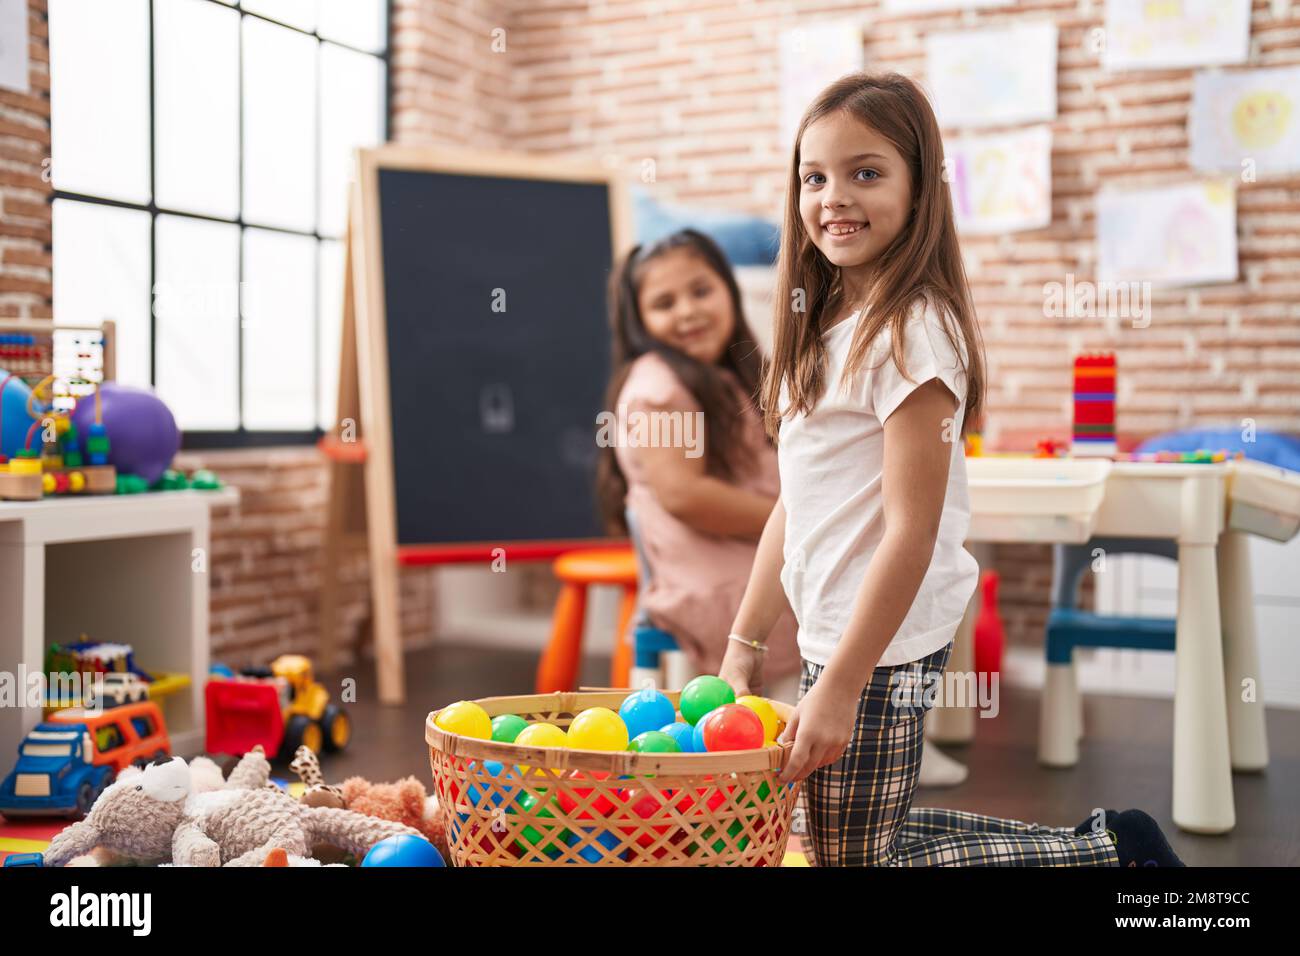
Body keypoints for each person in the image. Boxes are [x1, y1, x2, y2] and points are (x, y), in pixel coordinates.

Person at [718, 71, 1185, 866]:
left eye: (867, 172)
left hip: (880, 639)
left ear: (921, 187)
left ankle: (1112, 861)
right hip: (843, 628)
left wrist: (838, 688)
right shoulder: (826, 327)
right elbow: (792, 507)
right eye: (815, 176)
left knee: (850, 860)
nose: (835, 196)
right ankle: (1117, 842)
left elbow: (912, 529)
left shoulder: (913, 332)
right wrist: (745, 642)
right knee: (853, 841)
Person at [595, 228, 801, 702]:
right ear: (640, 320)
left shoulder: (736, 373)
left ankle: (853, 733)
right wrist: (789, 525)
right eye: (665, 303)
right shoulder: (658, 389)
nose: (687, 311)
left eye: (701, 291)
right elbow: (685, 495)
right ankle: (797, 739)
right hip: (708, 571)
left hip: (747, 551)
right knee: (815, 595)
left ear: (727, 291)